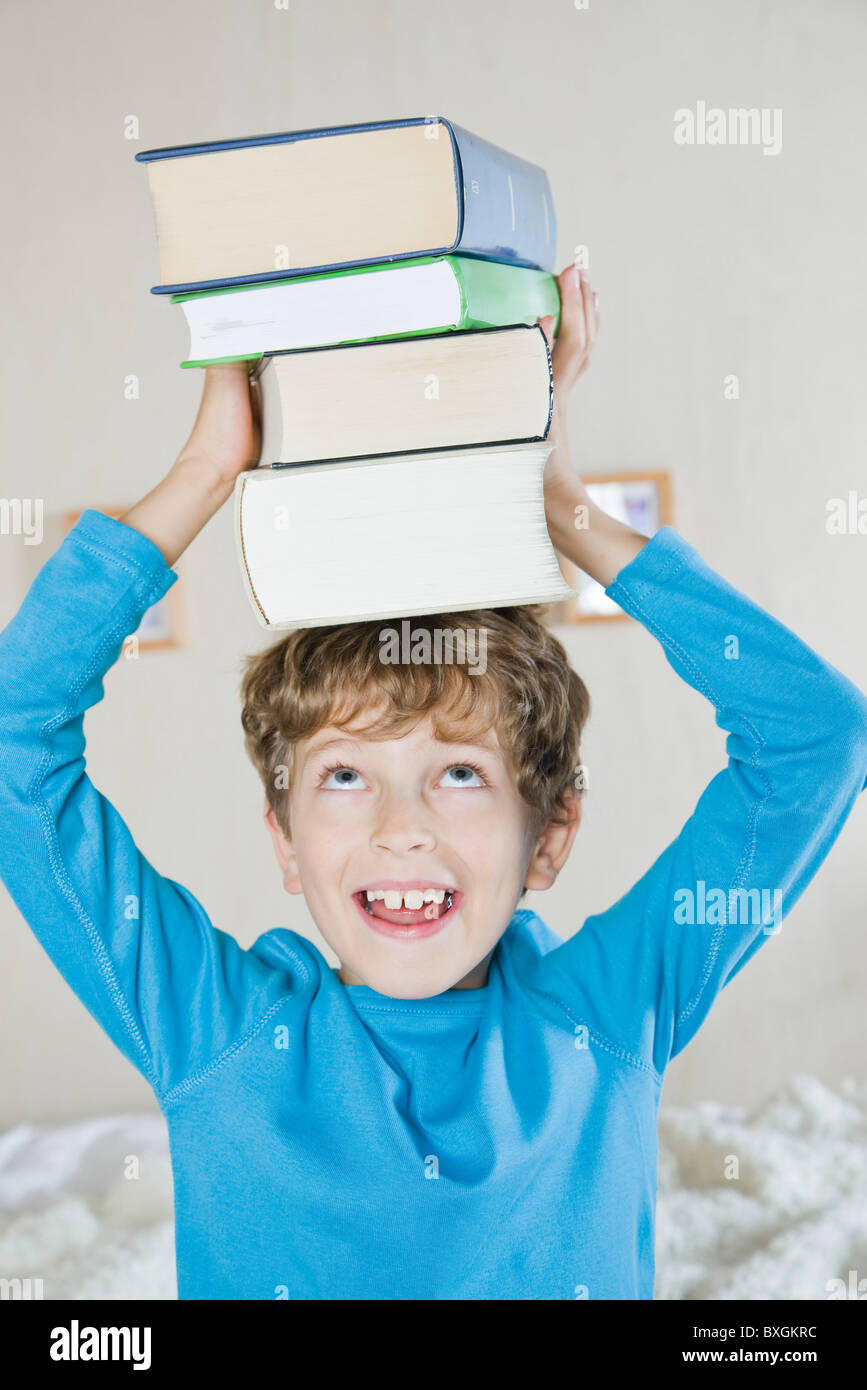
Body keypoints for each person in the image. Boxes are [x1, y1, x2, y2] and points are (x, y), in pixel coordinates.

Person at [1, 268, 865, 1300]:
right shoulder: (215, 1030)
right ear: (282, 838)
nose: (401, 827)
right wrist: (204, 467)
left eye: (458, 773)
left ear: (551, 834)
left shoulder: (607, 1011)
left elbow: (816, 735)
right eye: (344, 776)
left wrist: (561, 507)